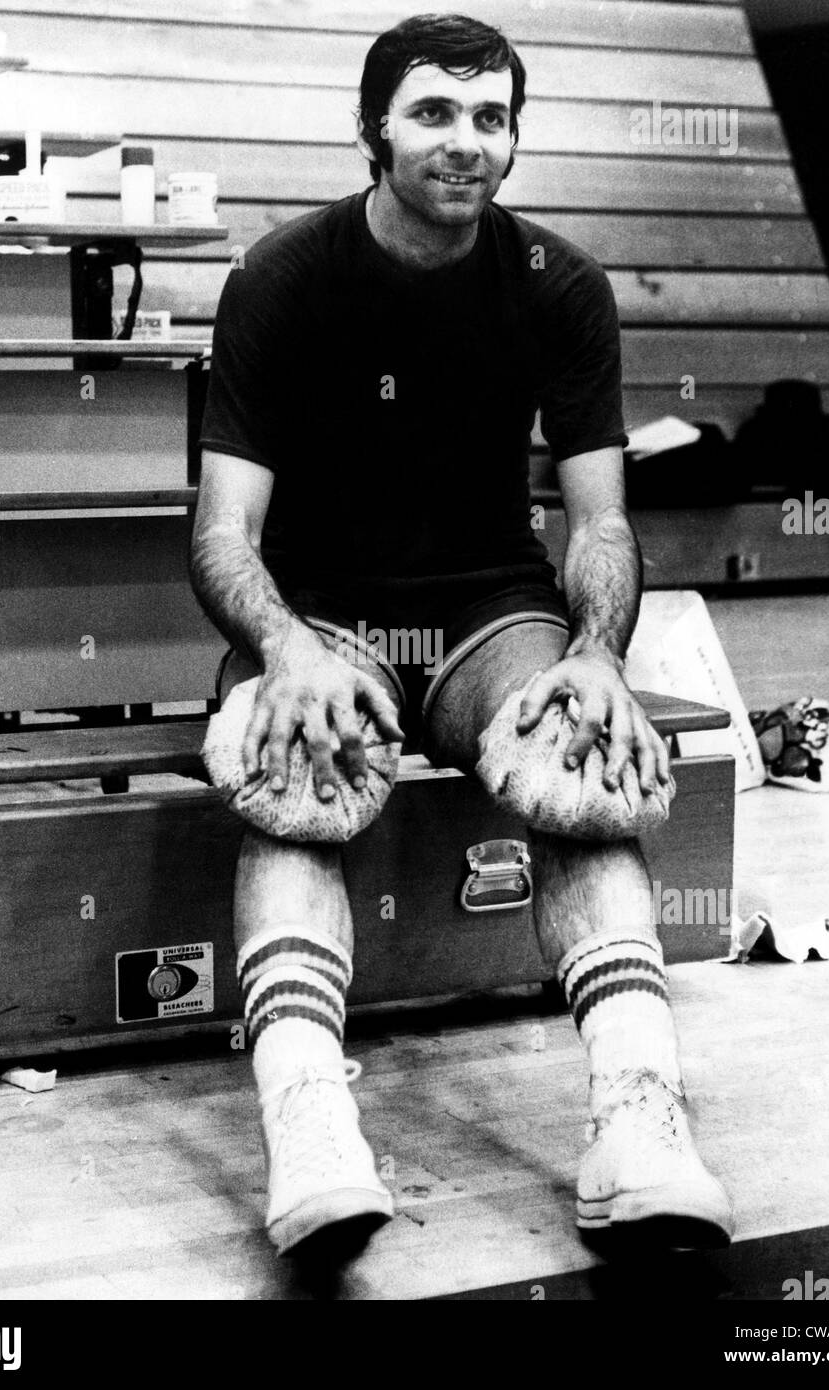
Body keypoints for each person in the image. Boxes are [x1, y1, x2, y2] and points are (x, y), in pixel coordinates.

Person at [190, 12, 733, 1260]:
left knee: (584, 753)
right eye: (434, 113)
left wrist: (598, 655)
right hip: (320, 614)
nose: (465, 142)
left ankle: (639, 1120)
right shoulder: (282, 279)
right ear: (372, 127)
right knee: (293, 772)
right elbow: (223, 534)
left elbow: (598, 523)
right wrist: (286, 649)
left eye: (491, 118)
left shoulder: (559, 284)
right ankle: (313, 1128)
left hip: (489, 607)